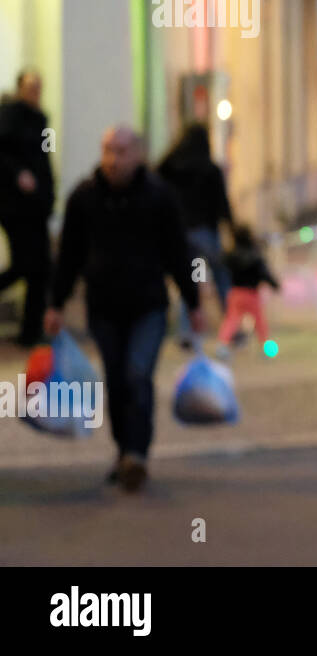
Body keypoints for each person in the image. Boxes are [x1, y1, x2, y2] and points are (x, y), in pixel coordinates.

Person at [45, 126, 202, 492]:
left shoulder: (159, 196)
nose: (113, 160)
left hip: (148, 306)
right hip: (103, 307)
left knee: (137, 374)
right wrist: (56, 303)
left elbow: (178, 253)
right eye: (107, 150)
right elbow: (68, 256)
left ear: (138, 154)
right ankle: (123, 451)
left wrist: (193, 302)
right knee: (116, 381)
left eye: (121, 151)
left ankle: (137, 454)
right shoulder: (84, 198)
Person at [156, 122, 233, 345]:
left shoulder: (169, 169)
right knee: (220, 277)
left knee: (189, 281)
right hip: (206, 233)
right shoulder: (210, 169)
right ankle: (232, 325)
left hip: (181, 234)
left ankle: (186, 331)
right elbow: (222, 204)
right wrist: (232, 229)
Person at [0, 69, 55, 347]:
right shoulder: (8, 115)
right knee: (23, 265)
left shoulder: (42, 119)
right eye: (30, 86)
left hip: (37, 206)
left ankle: (31, 332)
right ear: (20, 87)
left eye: (38, 86)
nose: (35, 91)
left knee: (41, 269)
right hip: (14, 206)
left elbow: (46, 157)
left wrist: (50, 195)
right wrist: (18, 173)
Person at [217, 224, 280, 348]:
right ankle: (266, 346)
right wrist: (274, 284)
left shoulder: (230, 255)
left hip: (235, 293)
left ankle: (222, 344)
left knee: (231, 319)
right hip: (252, 294)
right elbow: (264, 273)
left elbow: (221, 263)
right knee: (259, 321)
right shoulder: (256, 256)